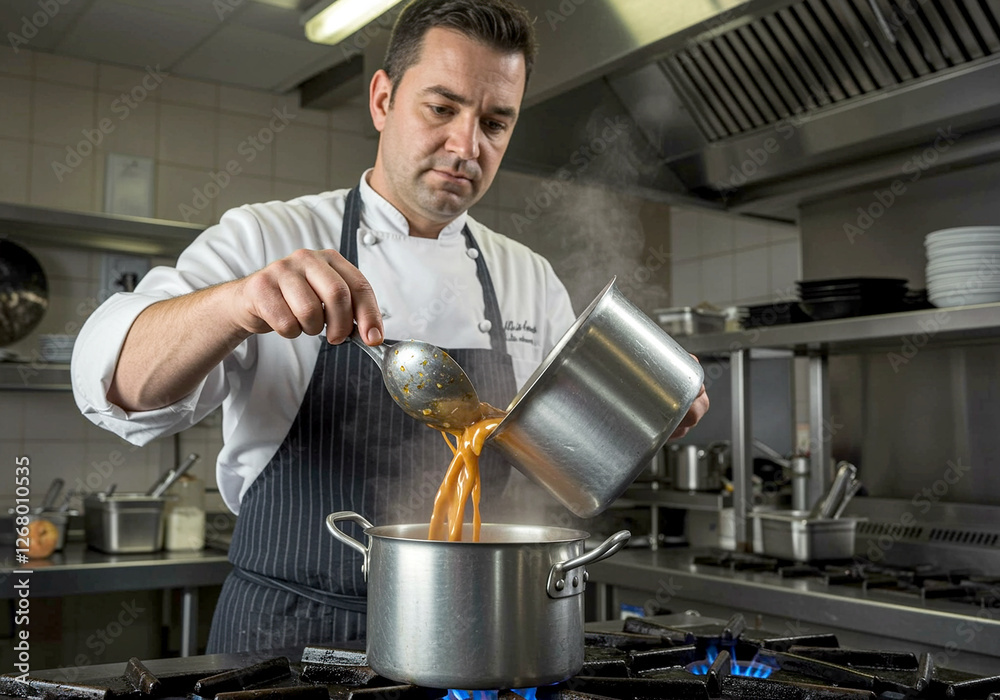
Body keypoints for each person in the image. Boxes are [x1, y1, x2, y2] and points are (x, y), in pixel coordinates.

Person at [72, 0, 709, 652]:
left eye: (495, 122)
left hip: (468, 633)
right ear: (382, 100)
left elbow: (564, 464)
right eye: (442, 108)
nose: (467, 146)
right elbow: (119, 383)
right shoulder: (265, 236)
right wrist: (235, 305)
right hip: (285, 636)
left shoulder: (528, 277)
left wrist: (644, 406)